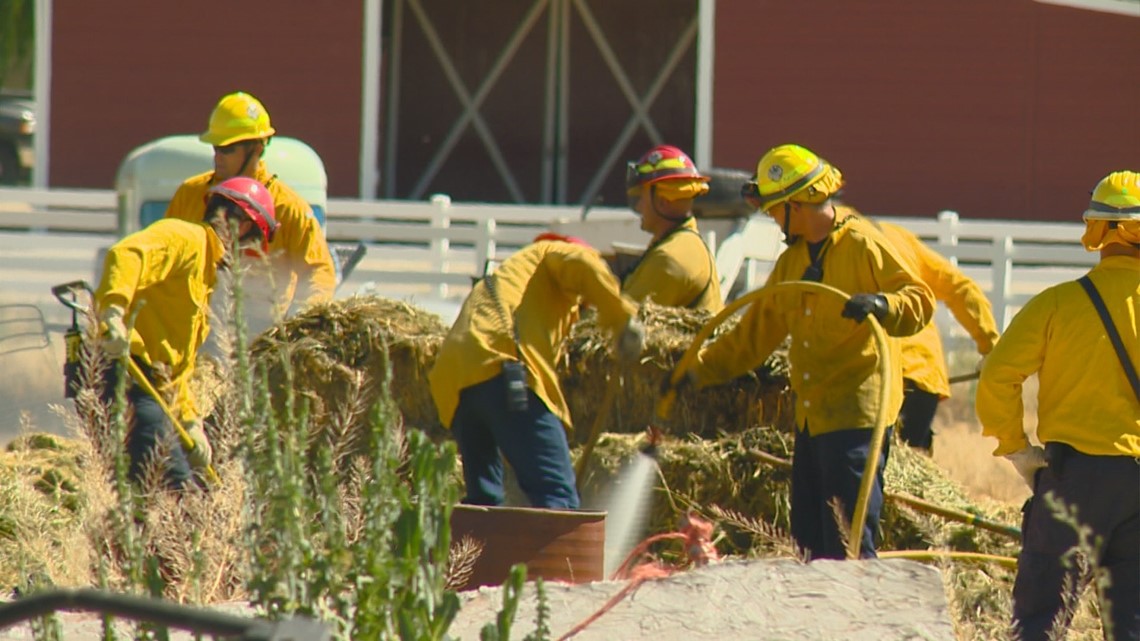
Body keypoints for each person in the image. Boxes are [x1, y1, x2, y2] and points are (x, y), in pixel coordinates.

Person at [677, 144, 935, 559]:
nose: (770, 218)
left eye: (774, 209)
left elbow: (919, 299)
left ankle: (852, 618)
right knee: (808, 544)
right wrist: (695, 371)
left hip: (856, 417)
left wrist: (883, 305)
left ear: (797, 205)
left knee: (847, 544)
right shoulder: (792, 262)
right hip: (813, 417)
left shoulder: (863, 243)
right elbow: (754, 333)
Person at [976, 170, 1139, 641]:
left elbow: (997, 375)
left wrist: (1017, 448)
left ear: (1094, 231)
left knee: (1041, 622)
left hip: (1075, 479)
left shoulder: (1058, 304)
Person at [428, 233, 645, 509]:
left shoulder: (511, 278)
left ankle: (480, 553)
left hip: (455, 383)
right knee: (557, 498)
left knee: (484, 503)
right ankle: (558, 554)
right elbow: (581, 262)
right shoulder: (553, 252)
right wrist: (621, 318)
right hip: (502, 367)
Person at [97, 176, 277, 489]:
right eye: (248, 243)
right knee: (178, 497)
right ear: (242, 226)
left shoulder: (203, 276)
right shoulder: (185, 238)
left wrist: (191, 423)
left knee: (162, 498)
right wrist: (112, 313)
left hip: (149, 388)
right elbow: (127, 254)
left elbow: (175, 369)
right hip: (127, 377)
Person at [164, 91, 335, 332]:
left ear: (257, 149)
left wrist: (299, 324)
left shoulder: (287, 207)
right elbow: (163, 255)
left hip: (263, 336)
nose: (218, 156)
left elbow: (318, 272)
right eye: (216, 147)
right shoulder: (191, 195)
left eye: (227, 149)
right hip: (196, 330)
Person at [861, 214, 1000, 454]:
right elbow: (960, 288)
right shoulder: (896, 236)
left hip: (873, 379)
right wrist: (991, 349)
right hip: (920, 373)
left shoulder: (834, 247)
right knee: (907, 465)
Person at [620, 144, 723, 312]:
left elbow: (620, 323)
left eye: (641, 196)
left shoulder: (668, 259)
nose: (638, 207)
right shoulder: (682, 244)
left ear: (663, 201)